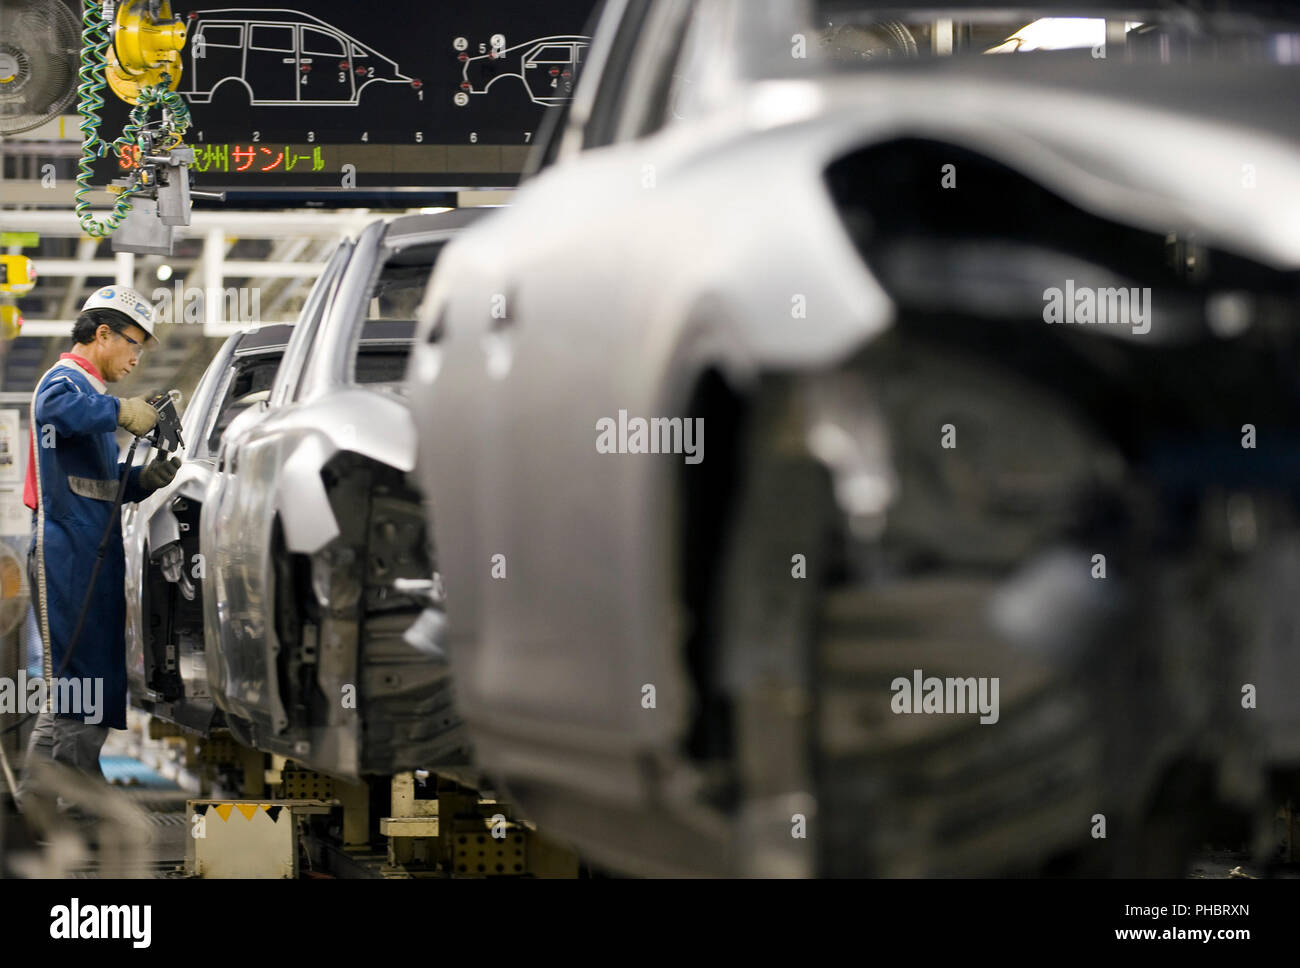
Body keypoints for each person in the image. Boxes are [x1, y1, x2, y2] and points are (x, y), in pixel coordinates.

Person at [14, 286, 181, 814]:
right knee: (78, 673)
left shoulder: (87, 392)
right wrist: (120, 411)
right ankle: (80, 793)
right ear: (102, 334)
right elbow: (54, 408)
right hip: (66, 548)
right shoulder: (65, 381)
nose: (136, 358)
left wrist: (141, 479)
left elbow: (99, 483)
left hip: (93, 550)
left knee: (88, 673)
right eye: (133, 344)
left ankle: (36, 803)